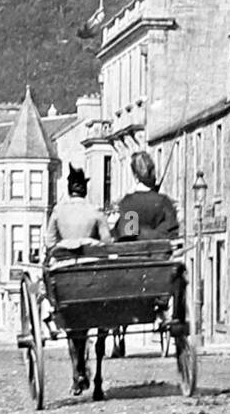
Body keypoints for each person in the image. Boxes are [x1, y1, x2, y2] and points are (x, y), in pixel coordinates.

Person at [43, 165, 113, 395]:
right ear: (85, 189)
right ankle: (97, 379)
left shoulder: (57, 212)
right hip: (94, 277)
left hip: (67, 279)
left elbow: (49, 243)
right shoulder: (95, 212)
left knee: (74, 328)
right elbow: (107, 242)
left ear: (69, 188)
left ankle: (77, 372)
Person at [112, 152, 179, 241]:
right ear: (153, 174)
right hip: (158, 253)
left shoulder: (127, 203)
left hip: (134, 253)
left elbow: (128, 235)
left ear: (135, 175)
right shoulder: (163, 201)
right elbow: (171, 234)